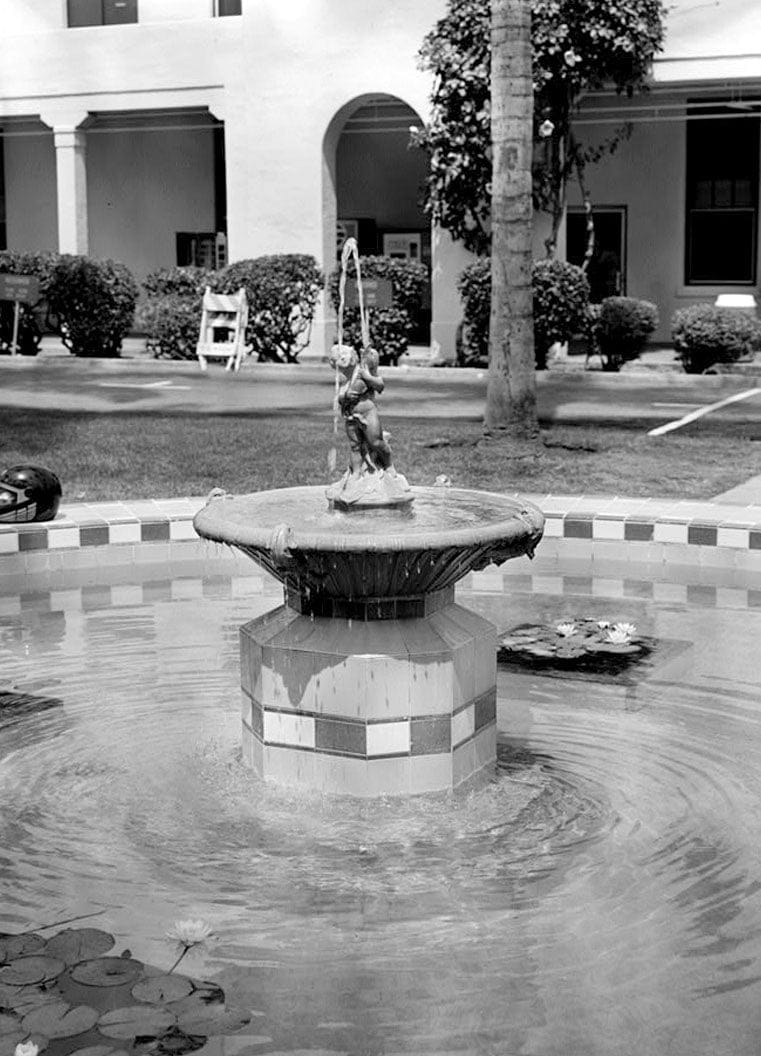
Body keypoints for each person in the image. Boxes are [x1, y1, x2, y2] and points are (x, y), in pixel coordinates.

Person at [329, 342, 393, 478]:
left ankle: (389, 465)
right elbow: (339, 400)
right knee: (355, 446)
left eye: (345, 355)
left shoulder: (363, 370)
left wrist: (368, 377)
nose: (343, 358)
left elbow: (380, 386)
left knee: (376, 442)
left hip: (368, 412)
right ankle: (356, 473)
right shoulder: (343, 380)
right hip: (351, 415)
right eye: (338, 357)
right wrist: (345, 396)